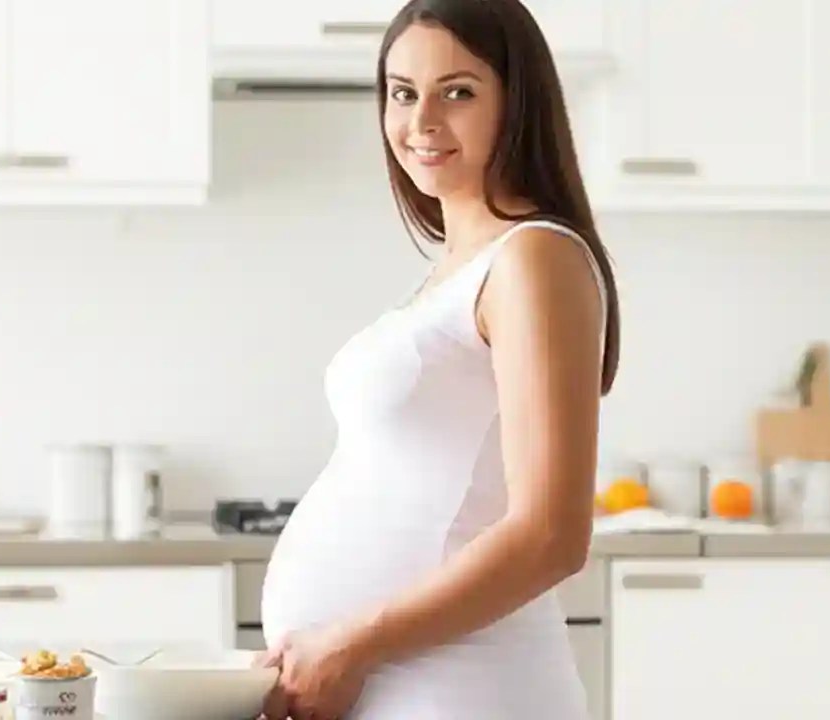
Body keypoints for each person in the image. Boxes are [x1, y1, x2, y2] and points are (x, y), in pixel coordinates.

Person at [256, 1, 622, 718]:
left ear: (516, 102)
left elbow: (551, 535)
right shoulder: (455, 270)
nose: (421, 121)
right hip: (395, 684)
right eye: (402, 92)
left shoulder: (534, 259)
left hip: (466, 690)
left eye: (457, 91)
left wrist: (352, 641)